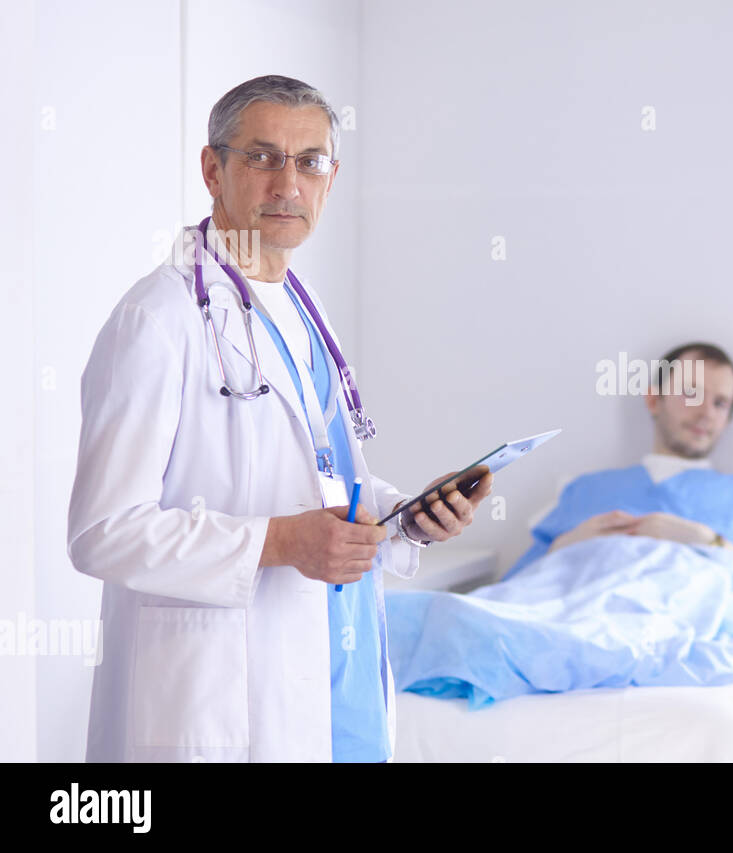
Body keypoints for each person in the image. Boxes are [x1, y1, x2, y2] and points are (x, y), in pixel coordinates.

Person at [66, 75, 491, 763]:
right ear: (213, 169)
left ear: (332, 175)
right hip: (223, 701)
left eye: (309, 161)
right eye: (262, 157)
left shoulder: (299, 303)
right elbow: (101, 532)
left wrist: (406, 514)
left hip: (336, 677)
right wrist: (277, 544)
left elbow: (314, 480)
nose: (287, 183)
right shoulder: (159, 318)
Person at [504, 342, 733, 616]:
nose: (706, 413)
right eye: (691, 393)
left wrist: (709, 541)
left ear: (728, 419)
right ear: (654, 400)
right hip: (574, 617)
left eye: (720, 403)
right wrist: (567, 544)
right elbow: (519, 591)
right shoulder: (586, 491)